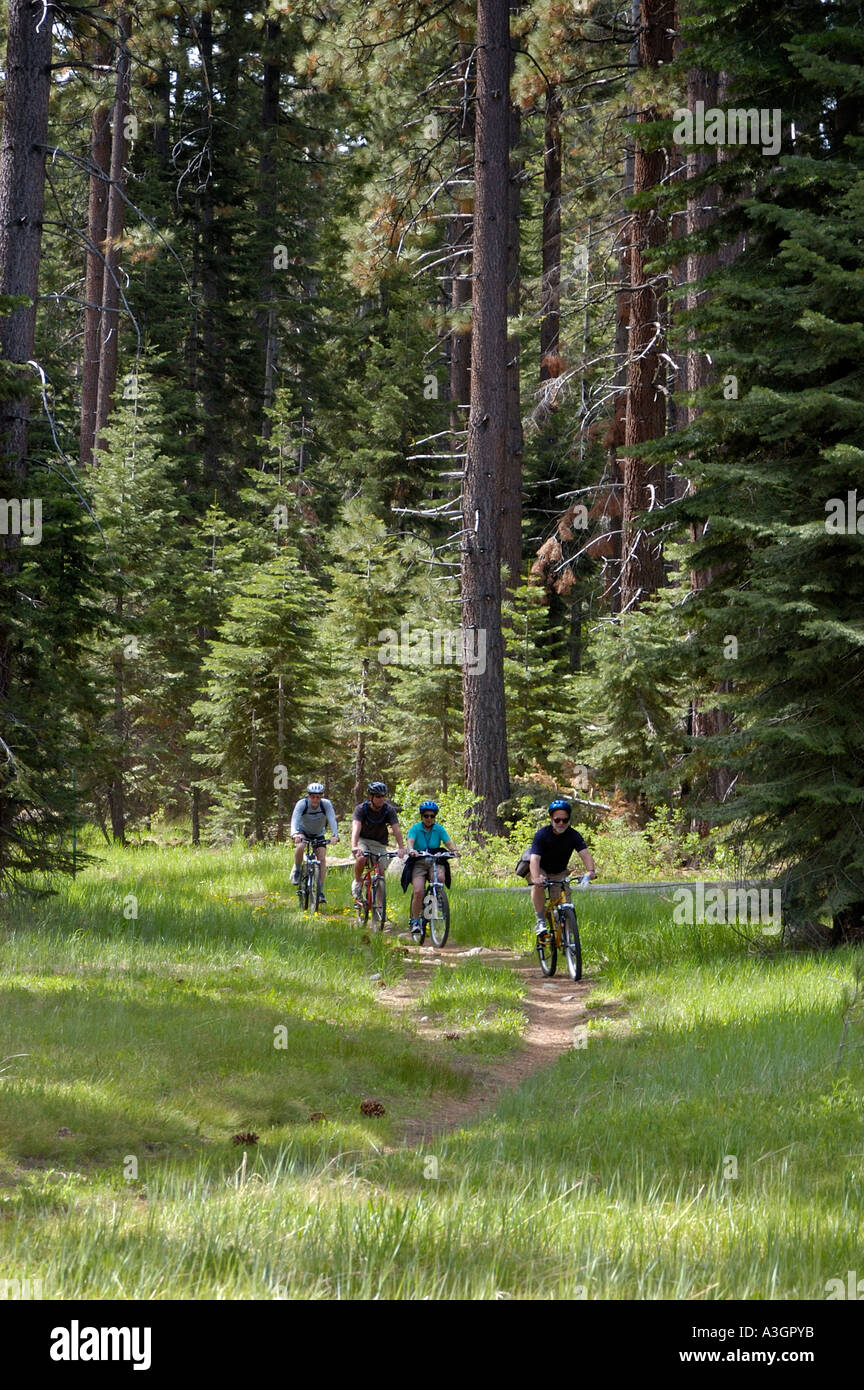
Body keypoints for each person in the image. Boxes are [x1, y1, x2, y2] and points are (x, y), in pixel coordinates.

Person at [529, 799, 596, 937]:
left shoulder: (573, 835)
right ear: (551, 819)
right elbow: (534, 859)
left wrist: (590, 871)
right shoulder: (542, 834)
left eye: (564, 820)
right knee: (539, 886)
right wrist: (536, 878)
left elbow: (585, 854)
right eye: (557, 820)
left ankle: (569, 942)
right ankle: (540, 920)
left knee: (565, 903)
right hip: (541, 869)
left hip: (559, 872)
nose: (561, 823)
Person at [405, 799, 459, 943]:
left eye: (432, 816)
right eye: (426, 816)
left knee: (440, 878)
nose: (429, 819)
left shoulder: (439, 829)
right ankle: (415, 921)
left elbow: (448, 842)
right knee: (418, 891)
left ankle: (437, 901)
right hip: (419, 861)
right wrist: (412, 850)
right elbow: (410, 841)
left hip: (435, 860)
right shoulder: (415, 828)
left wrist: (454, 850)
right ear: (422, 816)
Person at [351, 782, 405, 905]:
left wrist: (401, 847)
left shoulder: (388, 810)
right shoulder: (361, 809)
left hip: (379, 843)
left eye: (383, 796)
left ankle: (380, 907)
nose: (381, 799)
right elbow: (356, 827)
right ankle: (358, 882)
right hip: (363, 840)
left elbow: (396, 828)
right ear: (371, 797)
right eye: (378, 796)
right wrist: (354, 846)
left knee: (380, 873)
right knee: (362, 857)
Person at [289, 782, 338, 903]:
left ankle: (320, 891)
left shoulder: (326, 804)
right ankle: (297, 869)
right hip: (303, 831)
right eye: (312, 796)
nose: (315, 799)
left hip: (318, 833)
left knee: (321, 858)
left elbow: (332, 819)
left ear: (321, 797)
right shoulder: (302, 804)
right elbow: (294, 819)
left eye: (318, 796)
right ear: (308, 796)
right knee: (300, 846)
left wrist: (335, 835)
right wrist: (294, 833)